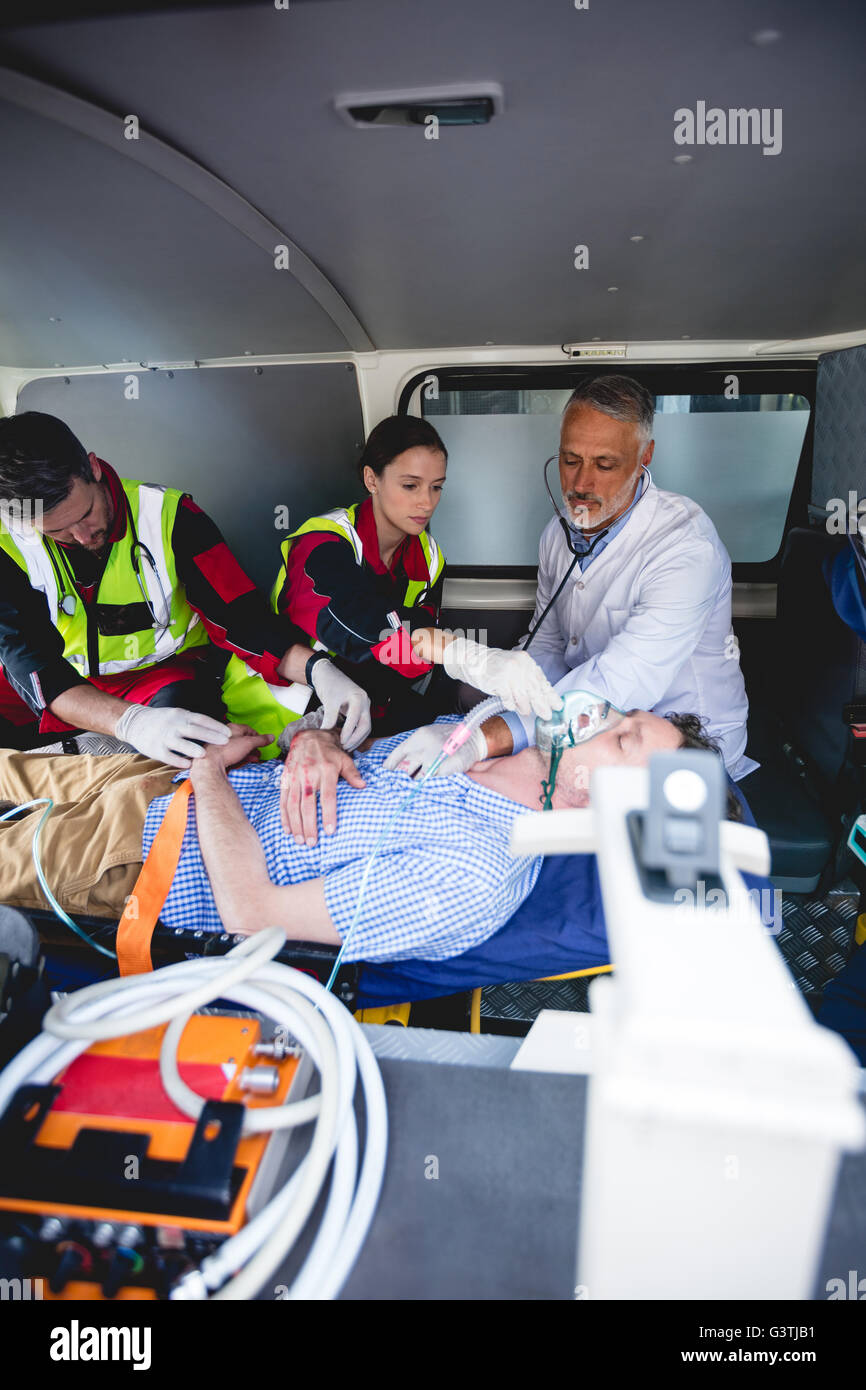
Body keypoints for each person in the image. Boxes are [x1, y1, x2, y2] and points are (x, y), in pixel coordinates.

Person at [0, 709, 718, 964]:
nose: (598, 717)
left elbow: (252, 912)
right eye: (622, 714)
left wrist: (212, 774)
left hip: (130, 860)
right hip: (151, 776)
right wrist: (312, 737)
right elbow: (339, 747)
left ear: (611, 802)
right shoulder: (482, 742)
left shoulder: (473, 879)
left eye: (622, 738)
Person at [392, 375, 756, 783]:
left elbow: (620, 682)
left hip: (680, 743)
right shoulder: (558, 533)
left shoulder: (687, 550)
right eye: (570, 460)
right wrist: (497, 695)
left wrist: (482, 738)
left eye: (605, 464)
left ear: (645, 456)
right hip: (591, 724)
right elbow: (547, 644)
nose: (581, 485)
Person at [0, 412, 371, 767]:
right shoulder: (8, 548)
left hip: (166, 677)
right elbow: (35, 669)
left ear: (93, 467)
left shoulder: (171, 516)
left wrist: (321, 671)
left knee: (194, 747)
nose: (82, 537)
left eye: (86, 514)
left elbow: (244, 622)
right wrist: (130, 723)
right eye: (57, 531)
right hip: (70, 685)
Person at [269, 415, 456, 736]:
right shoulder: (322, 539)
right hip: (284, 707)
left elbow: (418, 640)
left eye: (436, 487)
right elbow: (352, 623)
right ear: (372, 480)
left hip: (364, 700)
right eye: (410, 486)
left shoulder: (430, 556)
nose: (427, 502)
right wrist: (457, 652)